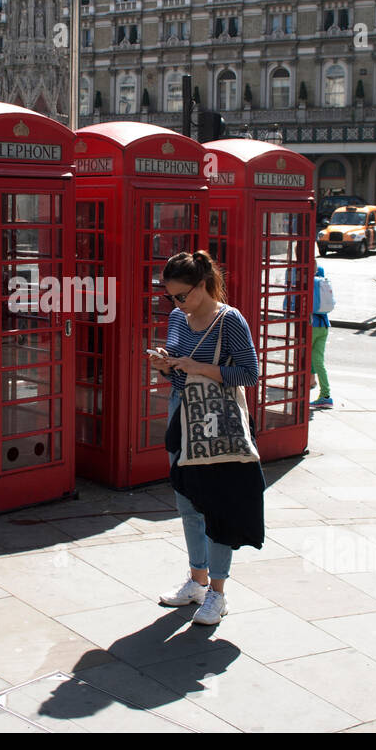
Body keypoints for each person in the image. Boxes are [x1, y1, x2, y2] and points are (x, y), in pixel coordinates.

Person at [148, 250, 259, 626]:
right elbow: (180, 376)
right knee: (187, 504)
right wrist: (166, 366)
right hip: (181, 413)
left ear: (203, 284)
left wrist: (200, 368)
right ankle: (196, 580)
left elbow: (249, 373)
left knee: (216, 507)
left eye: (181, 295)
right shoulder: (179, 318)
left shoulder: (229, 321)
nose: (176, 303)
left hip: (216, 421)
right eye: (170, 297)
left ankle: (217, 593)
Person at [310, 265, 332, 408]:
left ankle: (325, 394)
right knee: (317, 359)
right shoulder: (323, 282)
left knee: (308, 359)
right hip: (324, 325)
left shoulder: (308, 283)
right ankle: (315, 387)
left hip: (311, 325)